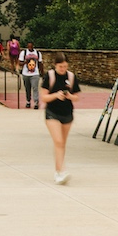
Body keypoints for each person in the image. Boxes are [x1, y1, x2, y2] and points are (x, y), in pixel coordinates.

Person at [40, 52, 81, 185]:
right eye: (60, 66)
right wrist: (56, 95)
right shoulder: (50, 76)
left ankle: (59, 169)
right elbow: (44, 97)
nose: (62, 69)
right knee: (58, 141)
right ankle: (60, 171)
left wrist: (69, 96)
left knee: (62, 143)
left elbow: (77, 97)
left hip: (67, 113)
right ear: (55, 65)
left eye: (64, 66)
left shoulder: (71, 77)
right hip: (52, 112)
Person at [19, 42, 44, 109]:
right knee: (27, 88)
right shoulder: (23, 53)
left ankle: (36, 102)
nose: (29, 47)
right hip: (25, 73)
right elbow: (20, 63)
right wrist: (25, 62)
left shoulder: (38, 53)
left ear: (33, 46)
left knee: (35, 88)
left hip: (35, 73)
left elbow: (40, 63)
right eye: (28, 46)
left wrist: (42, 73)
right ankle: (28, 101)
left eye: (31, 46)